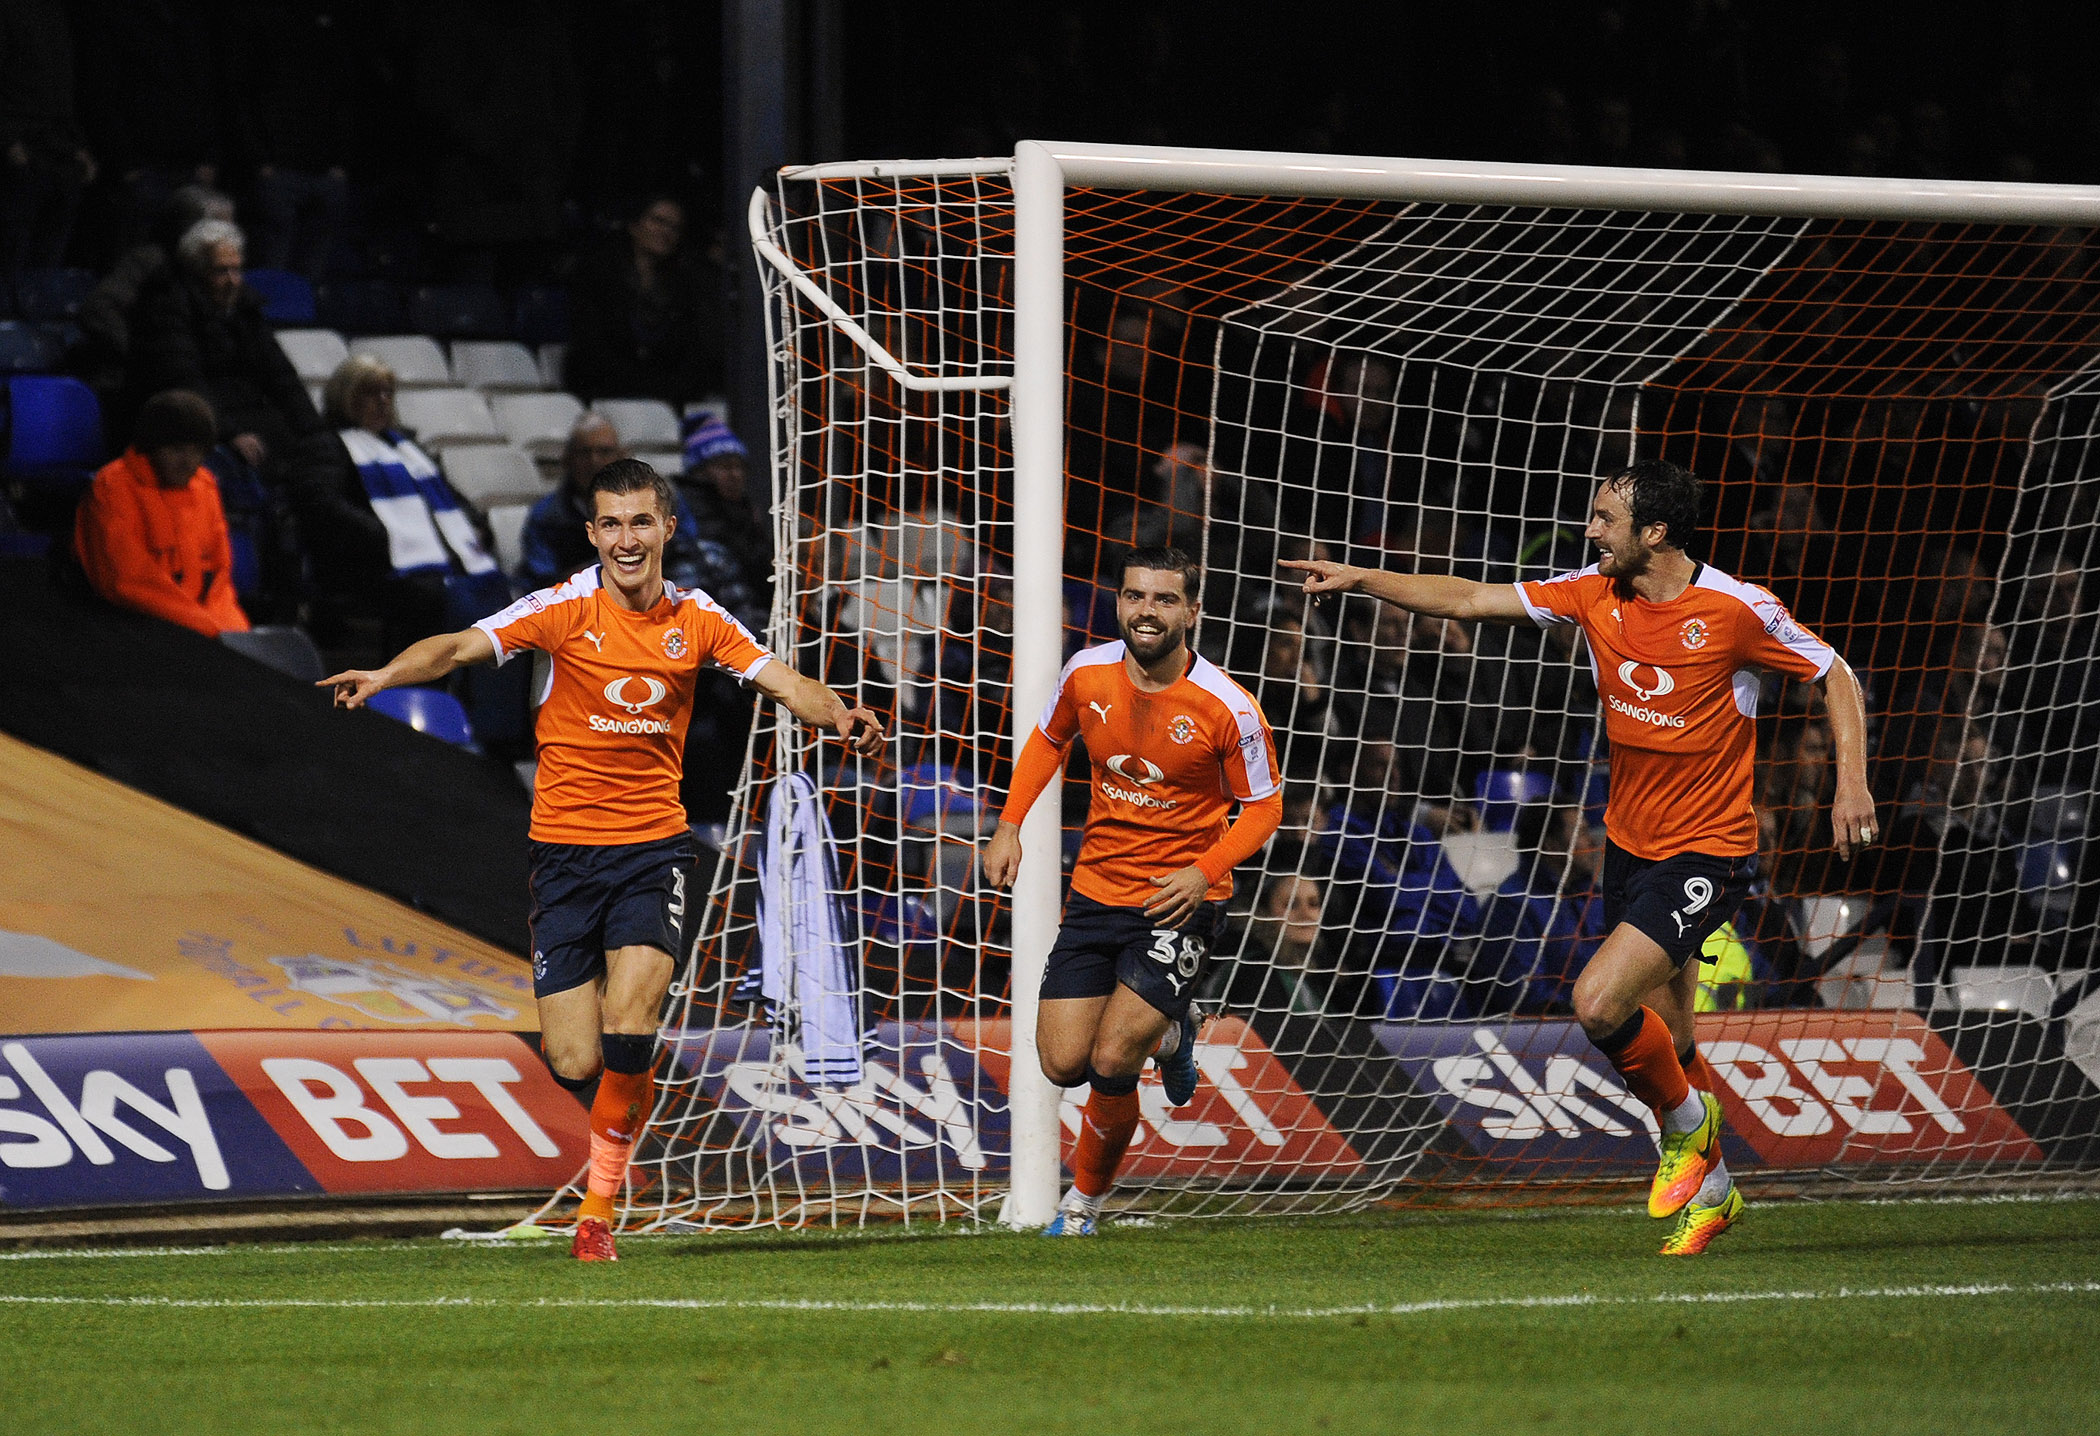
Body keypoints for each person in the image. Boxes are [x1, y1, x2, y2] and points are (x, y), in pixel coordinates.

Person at [1287, 458, 1876, 1256]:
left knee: (1598, 1004)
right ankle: (1717, 1194)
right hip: (1629, 849)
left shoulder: (1738, 610)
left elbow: (1835, 673)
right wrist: (1363, 576)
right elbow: (1468, 597)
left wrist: (1851, 786)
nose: (1590, 529)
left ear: (1655, 533)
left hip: (1707, 853)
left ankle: (1689, 1135)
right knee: (1677, 1041)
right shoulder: (1594, 592)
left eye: (1605, 517)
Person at [318, 458, 882, 1262]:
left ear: (667, 528)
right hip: (564, 859)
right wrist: (383, 674)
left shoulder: (700, 618)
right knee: (576, 1056)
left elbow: (783, 682)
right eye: (611, 524)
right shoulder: (562, 608)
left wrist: (840, 715)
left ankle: (597, 1213)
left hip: (655, 850)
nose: (626, 539)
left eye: (640, 522)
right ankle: (627, 1114)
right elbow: (453, 648)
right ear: (592, 534)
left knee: (631, 1020)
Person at [983, 544, 1282, 1235]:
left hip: (1180, 902)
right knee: (1062, 1062)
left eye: (1165, 598)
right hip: (1096, 892)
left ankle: (1081, 1205)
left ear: (1193, 613)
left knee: (1113, 1057)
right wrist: (1008, 825)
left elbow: (1265, 806)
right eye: (1135, 596)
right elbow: (1050, 740)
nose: (1146, 610)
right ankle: (1175, 1036)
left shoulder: (1228, 707)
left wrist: (1202, 871)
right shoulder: (1086, 673)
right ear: (1118, 602)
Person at [287, 354, 501, 651]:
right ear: (345, 396)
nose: (383, 401)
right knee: (434, 596)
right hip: (367, 565)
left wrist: (475, 526)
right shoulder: (326, 446)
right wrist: (390, 535)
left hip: (422, 561)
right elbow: (323, 507)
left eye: (388, 393)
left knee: (495, 587)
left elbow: (451, 498)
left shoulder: (406, 448)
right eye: (371, 393)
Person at [73, 388, 249, 638]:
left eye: (197, 450)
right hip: (137, 631)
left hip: (200, 631)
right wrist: (208, 630)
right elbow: (127, 581)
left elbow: (219, 577)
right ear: (151, 446)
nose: (188, 461)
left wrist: (233, 634)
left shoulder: (205, 485)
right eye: (177, 450)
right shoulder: (113, 487)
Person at [519, 414, 706, 593]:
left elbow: (686, 544)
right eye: (584, 453)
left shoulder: (660, 499)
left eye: (604, 451)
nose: (594, 461)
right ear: (567, 460)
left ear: (621, 455)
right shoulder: (546, 515)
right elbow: (543, 580)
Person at [564, 194, 717, 408]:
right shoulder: (599, 274)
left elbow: (691, 352)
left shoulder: (685, 284)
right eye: (658, 221)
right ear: (634, 225)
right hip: (602, 392)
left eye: (675, 228)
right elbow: (590, 347)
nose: (666, 232)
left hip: (665, 398)